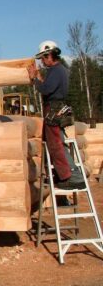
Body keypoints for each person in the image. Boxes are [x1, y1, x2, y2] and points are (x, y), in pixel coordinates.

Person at [27, 41, 85, 190]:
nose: (42, 61)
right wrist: (39, 77)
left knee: (56, 144)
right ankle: (61, 175)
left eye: (43, 58)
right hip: (56, 107)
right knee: (56, 142)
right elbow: (49, 86)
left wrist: (34, 79)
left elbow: (46, 90)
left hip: (53, 109)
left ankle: (72, 177)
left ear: (50, 55)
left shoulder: (56, 70)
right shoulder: (60, 70)